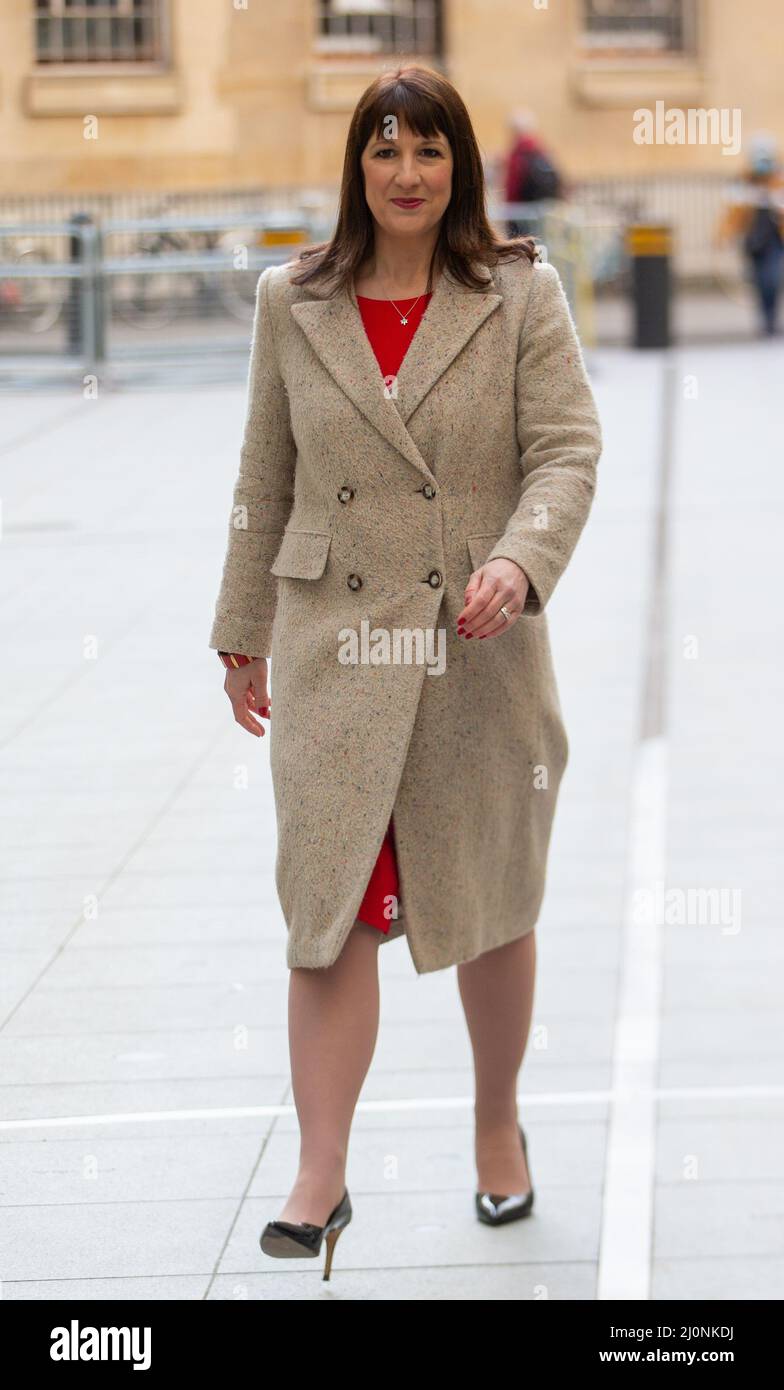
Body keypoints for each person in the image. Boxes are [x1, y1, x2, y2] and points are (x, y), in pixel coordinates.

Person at [208, 64, 602, 1280]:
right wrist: (240, 630)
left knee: (487, 899)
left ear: (460, 166)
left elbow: (566, 452)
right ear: (357, 168)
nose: (407, 174)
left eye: (429, 152)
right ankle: (320, 1175)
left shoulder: (517, 292)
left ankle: (496, 1125)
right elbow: (262, 473)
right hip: (334, 646)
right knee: (327, 911)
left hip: (475, 650)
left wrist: (519, 564)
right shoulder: (294, 298)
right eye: (385, 153)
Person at [717, 134, 784, 336]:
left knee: (772, 278)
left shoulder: (779, 181)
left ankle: (770, 318)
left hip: (775, 241)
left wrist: (773, 199)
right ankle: (765, 319)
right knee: (758, 281)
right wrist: (724, 236)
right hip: (753, 242)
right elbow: (731, 213)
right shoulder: (743, 183)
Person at [502, 109, 564, 239]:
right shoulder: (541, 149)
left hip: (519, 211)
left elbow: (513, 185)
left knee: (520, 249)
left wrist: (509, 206)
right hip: (540, 212)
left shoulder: (518, 153)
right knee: (539, 247)